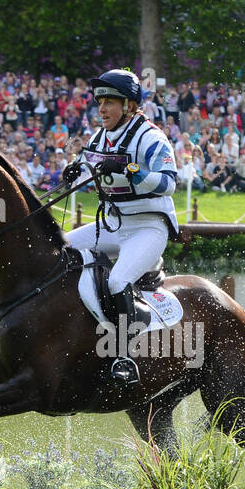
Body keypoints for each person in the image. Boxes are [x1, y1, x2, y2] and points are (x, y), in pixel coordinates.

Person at [60, 68, 178, 386]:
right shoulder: (101, 136)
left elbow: (168, 183)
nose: (102, 109)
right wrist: (74, 170)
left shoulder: (151, 137)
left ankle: (123, 357)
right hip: (113, 223)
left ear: (129, 105)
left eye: (109, 102)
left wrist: (131, 168)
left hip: (148, 227)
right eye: (99, 102)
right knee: (58, 251)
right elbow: (92, 166)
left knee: (117, 280)